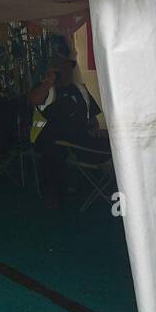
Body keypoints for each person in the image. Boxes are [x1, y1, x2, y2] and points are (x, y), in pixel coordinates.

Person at [27, 50, 108, 208]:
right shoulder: (47, 88)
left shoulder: (80, 90)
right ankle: (54, 194)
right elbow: (34, 100)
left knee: (110, 143)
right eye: (58, 67)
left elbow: (92, 118)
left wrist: (95, 129)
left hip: (81, 139)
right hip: (49, 140)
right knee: (54, 151)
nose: (63, 71)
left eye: (66, 66)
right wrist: (49, 81)